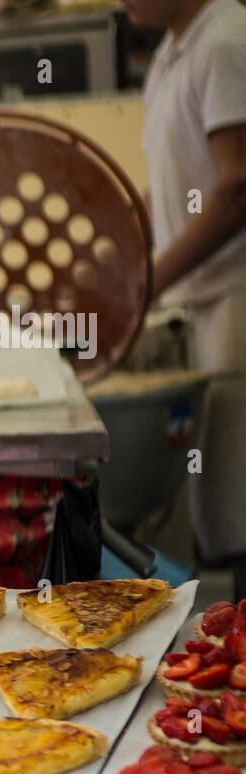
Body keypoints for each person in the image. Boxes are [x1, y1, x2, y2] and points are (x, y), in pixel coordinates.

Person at [128, 0, 246, 599]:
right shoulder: (168, 59)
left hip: (237, 302)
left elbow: (237, 184)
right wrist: (119, 248)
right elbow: (173, 180)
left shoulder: (225, 38)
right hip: (204, 311)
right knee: (223, 511)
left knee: (242, 509)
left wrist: (151, 282)